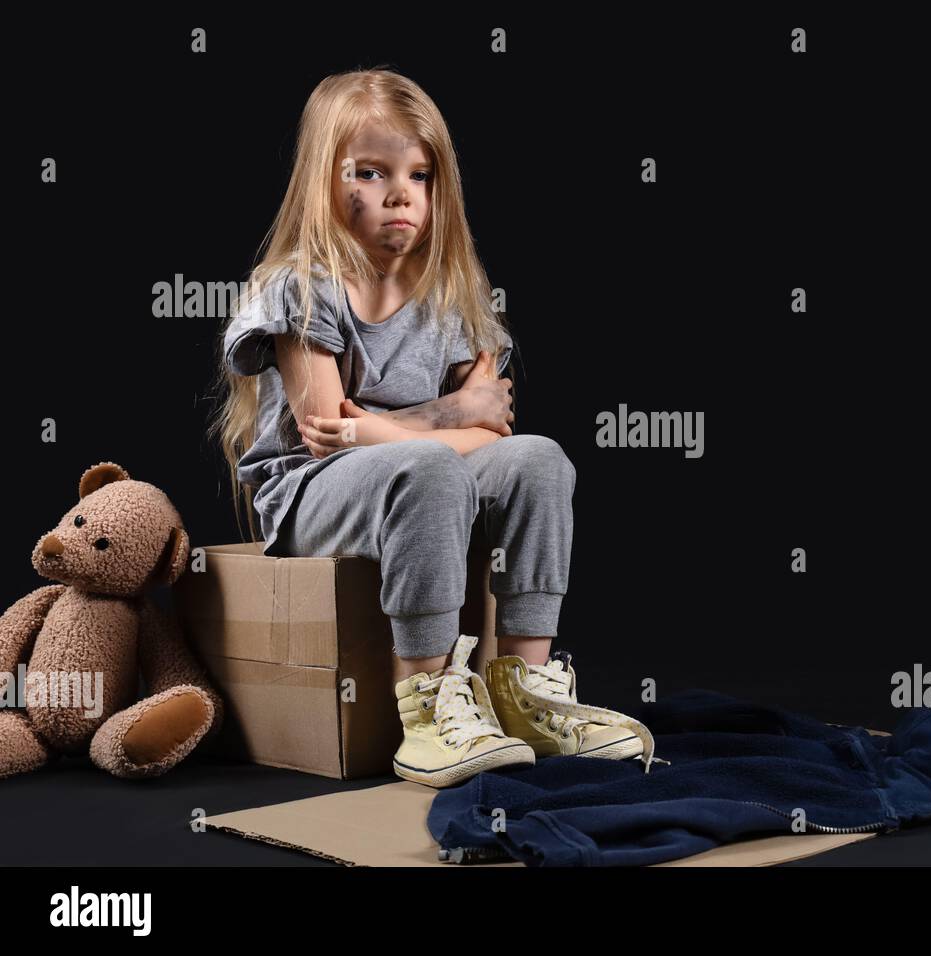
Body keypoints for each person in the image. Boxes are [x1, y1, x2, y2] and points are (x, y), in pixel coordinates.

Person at [210, 68, 658, 788]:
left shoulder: (454, 293)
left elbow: (496, 441)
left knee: (542, 460)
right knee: (432, 466)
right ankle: (425, 710)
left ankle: (524, 693)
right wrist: (447, 416)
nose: (400, 194)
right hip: (308, 493)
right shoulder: (300, 282)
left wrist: (381, 430)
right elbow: (325, 432)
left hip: (408, 477)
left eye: (419, 175)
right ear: (323, 179)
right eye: (370, 172)